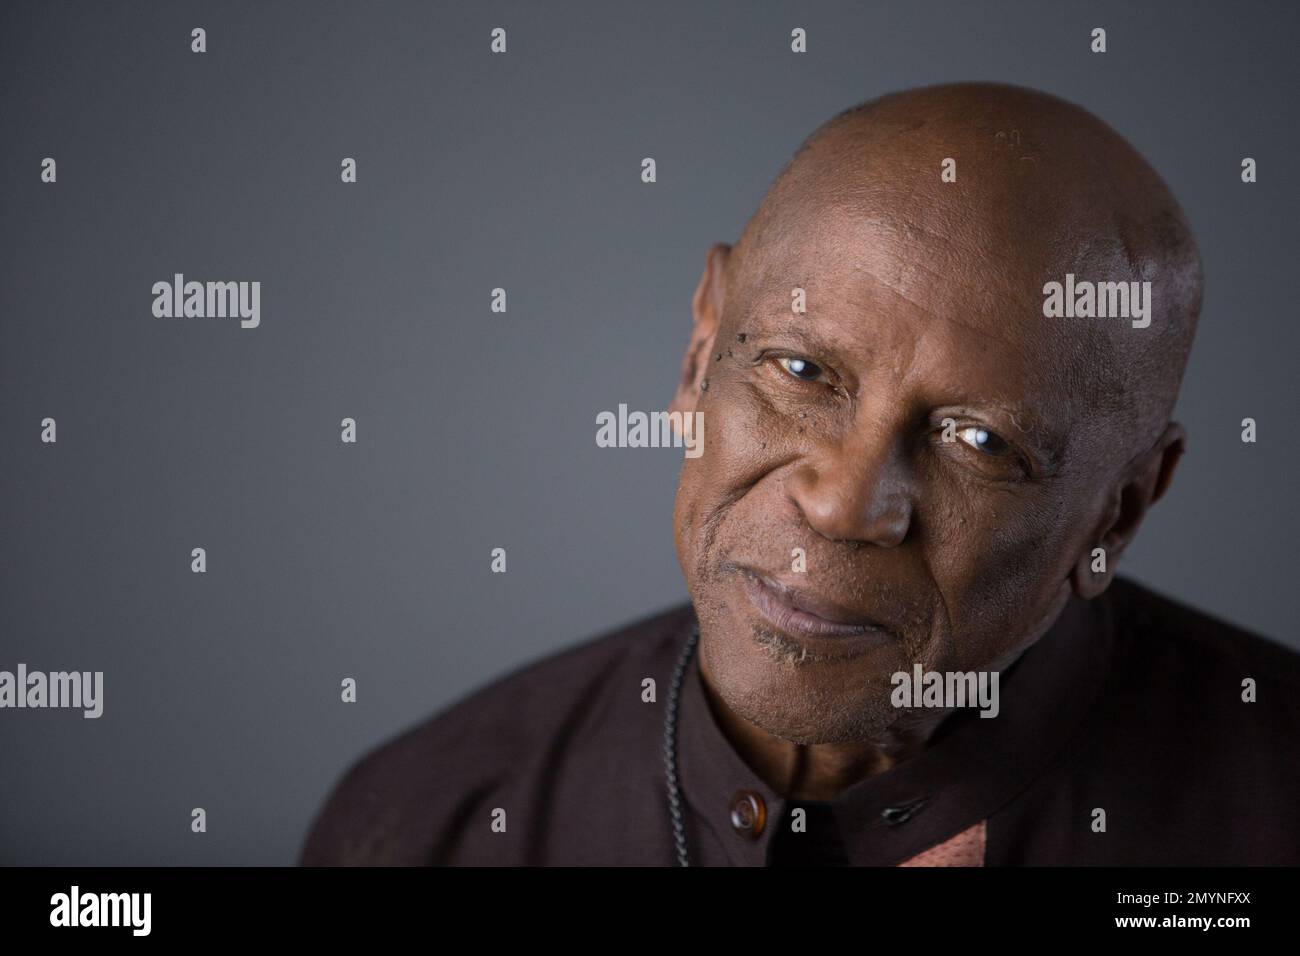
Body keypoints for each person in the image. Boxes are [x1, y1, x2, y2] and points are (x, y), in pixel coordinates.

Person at [300, 82, 1300, 866]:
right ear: (699, 357)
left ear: (1116, 515)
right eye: (800, 370)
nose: (840, 501)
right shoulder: (427, 822)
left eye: (980, 443)